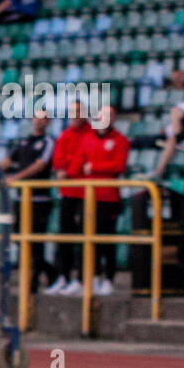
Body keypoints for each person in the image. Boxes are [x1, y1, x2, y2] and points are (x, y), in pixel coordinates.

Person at [0, 108, 57, 293]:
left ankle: (34, 282)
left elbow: (40, 165)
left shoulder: (48, 142)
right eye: (37, 117)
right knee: (20, 238)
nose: (39, 121)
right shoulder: (23, 141)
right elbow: (7, 160)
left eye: (43, 118)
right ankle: (49, 271)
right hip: (21, 199)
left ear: (48, 122)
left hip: (39, 199)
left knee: (35, 241)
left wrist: (17, 178)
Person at [75, 106, 129, 297]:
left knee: (107, 239)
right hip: (89, 197)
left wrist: (95, 167)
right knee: (88, 239)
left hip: (109, 197)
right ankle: (92, 277)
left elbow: (119, 165)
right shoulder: (87, 139)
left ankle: (108, 278)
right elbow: (80, 164)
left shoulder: (120, 140)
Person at [45, 104, 92, 295]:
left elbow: (84, 157)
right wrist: (65, 171)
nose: (75, 115)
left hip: (86, 192)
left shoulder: (91, 134)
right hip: (68, 192)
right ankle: (63, 276)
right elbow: (58, 161)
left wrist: (70, 171)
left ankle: (82, 278)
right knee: (65, 235)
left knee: (85, 236)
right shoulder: (65, 135)